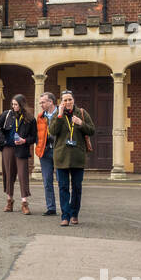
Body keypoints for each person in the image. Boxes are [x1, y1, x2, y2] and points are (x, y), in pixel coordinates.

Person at [50, 90, 95, 227]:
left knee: (76, 187)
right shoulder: (58, 114)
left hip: (77, 156)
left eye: (70, 99)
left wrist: (81, 123)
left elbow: (92, 130)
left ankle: (74, 214)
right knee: (63, 188)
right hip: (61, 157)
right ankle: (65, 216)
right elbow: (52, 131)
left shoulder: (82, 113)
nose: (67, 102)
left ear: (73, 100)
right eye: (65, 100)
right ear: (61, 102)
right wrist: (59, 115)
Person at [0, 94, 34, 214]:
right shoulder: (7, 114)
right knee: (9, 174)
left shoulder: (29, 118)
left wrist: (24, 141)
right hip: (8, 148)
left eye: (16, 104)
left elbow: (34, 137)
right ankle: (9, 201)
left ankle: (24, 203)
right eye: (12, 104)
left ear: (22, 105)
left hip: (22, 149)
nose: (14, 107)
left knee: (23, 175)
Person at [34, 92, 59, 217]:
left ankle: (66, 207)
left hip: (59, 151)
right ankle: (51, 208)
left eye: (43, 102)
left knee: (62, 181)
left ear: (51, 102)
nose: (41, 105)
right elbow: (37, 134)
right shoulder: (40, 116)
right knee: (47, 181)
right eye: (40, 103)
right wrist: (38, 146)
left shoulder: (61, 114)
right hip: (45, 152)